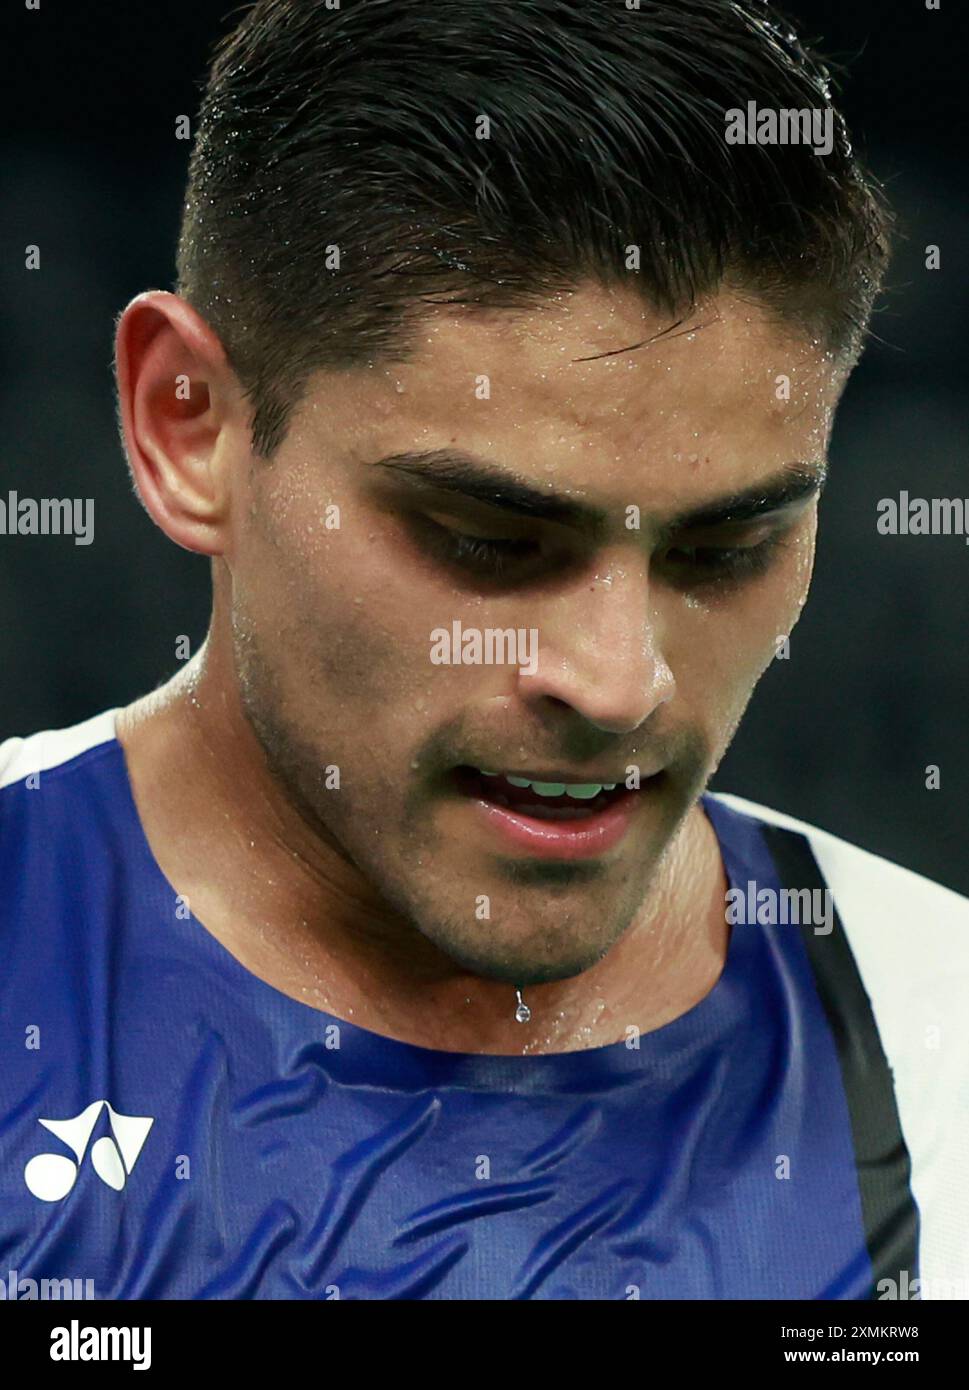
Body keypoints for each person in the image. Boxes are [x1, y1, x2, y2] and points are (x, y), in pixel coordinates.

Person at [2, 0, 966, 1301]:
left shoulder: (941, 1045)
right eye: (491, 541)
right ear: (192, 428)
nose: (619, 681)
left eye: (722, 548)